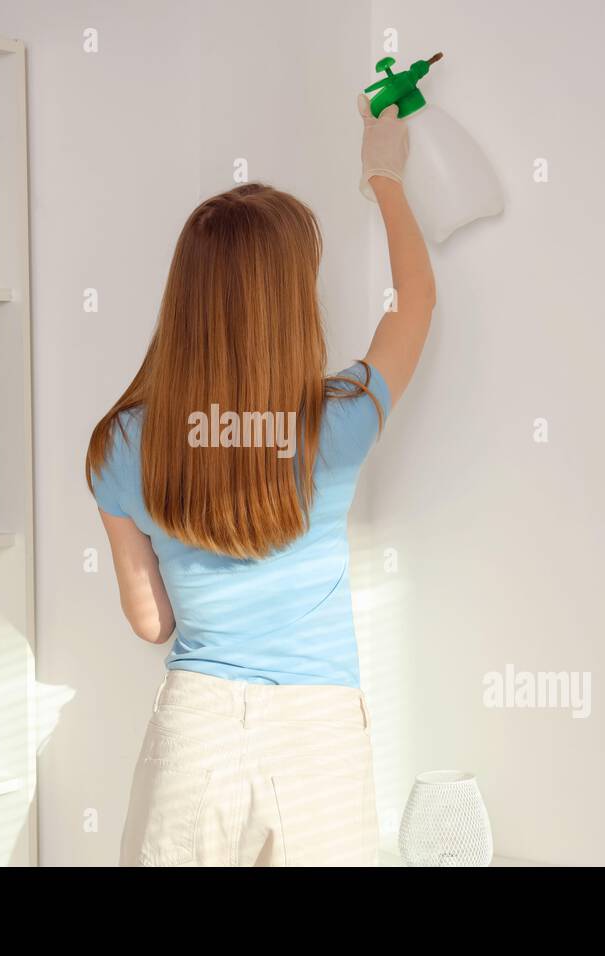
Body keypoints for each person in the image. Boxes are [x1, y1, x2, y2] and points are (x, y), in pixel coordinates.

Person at [86, 96, 434, 866]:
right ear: (290, 303)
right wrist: (385, 176)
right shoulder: (336, 424)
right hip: (320, 736)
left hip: (195, 737)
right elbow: (415, 303)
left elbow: (151, 623)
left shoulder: (120, 442)